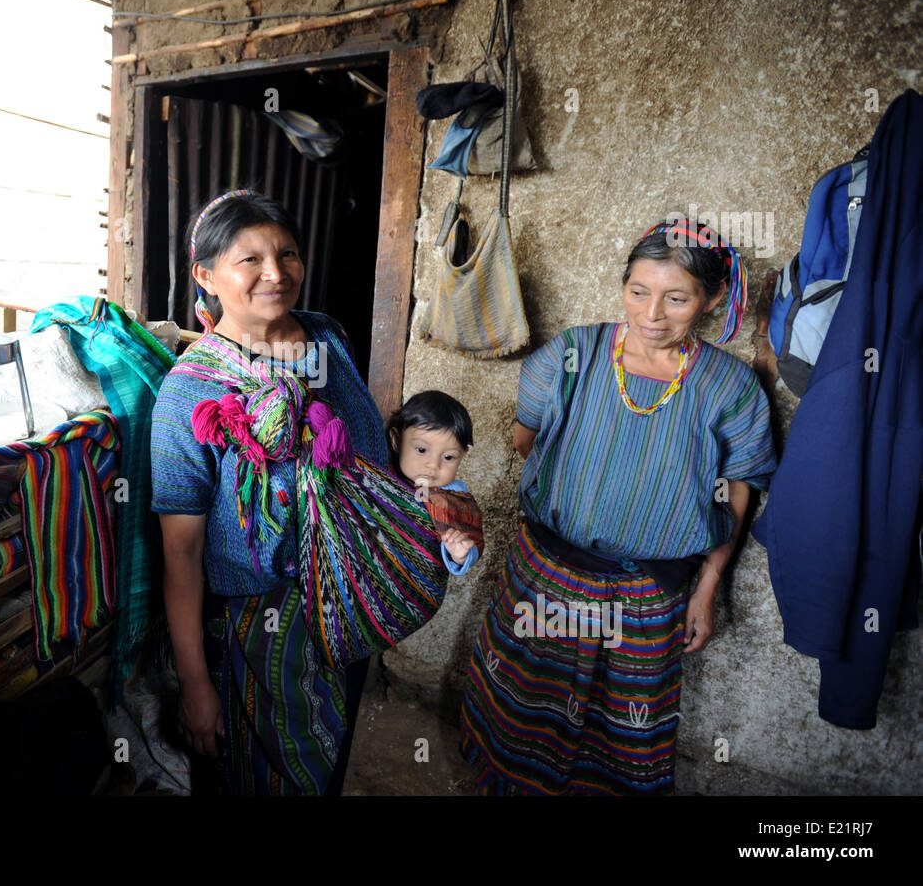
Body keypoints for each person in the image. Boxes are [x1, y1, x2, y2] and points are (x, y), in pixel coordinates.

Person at [459, 217, 777, 795]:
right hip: (546, 577)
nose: (652, 314)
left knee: (621, 729)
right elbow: (523, 438)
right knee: (523, 711)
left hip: (648, 595)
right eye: (638, 291)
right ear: (623, 284)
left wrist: (708, 587)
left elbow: (737, 491)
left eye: (676, 298)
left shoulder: (730, 388)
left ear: (710, 300)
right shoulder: (573, 356)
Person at [149, 189, 387, 795]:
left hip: (352, 595)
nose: (275, 274)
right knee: (262, 775)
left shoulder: (327, 337)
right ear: (206, 274)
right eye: (248, 259)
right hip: (265, 622)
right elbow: (182, 551)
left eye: (287, 254)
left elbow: (357, 451)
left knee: (328, 761)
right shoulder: (190, 395)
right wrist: (196, 684)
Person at [386, 390, 480, 575]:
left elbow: (473, 540)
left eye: (448, 457)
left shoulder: (456, 500)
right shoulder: (380, 472)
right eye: (421, 449)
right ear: (397, 441)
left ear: (462, 456)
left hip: (417, 584)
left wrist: (461, 555)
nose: (433, 465)